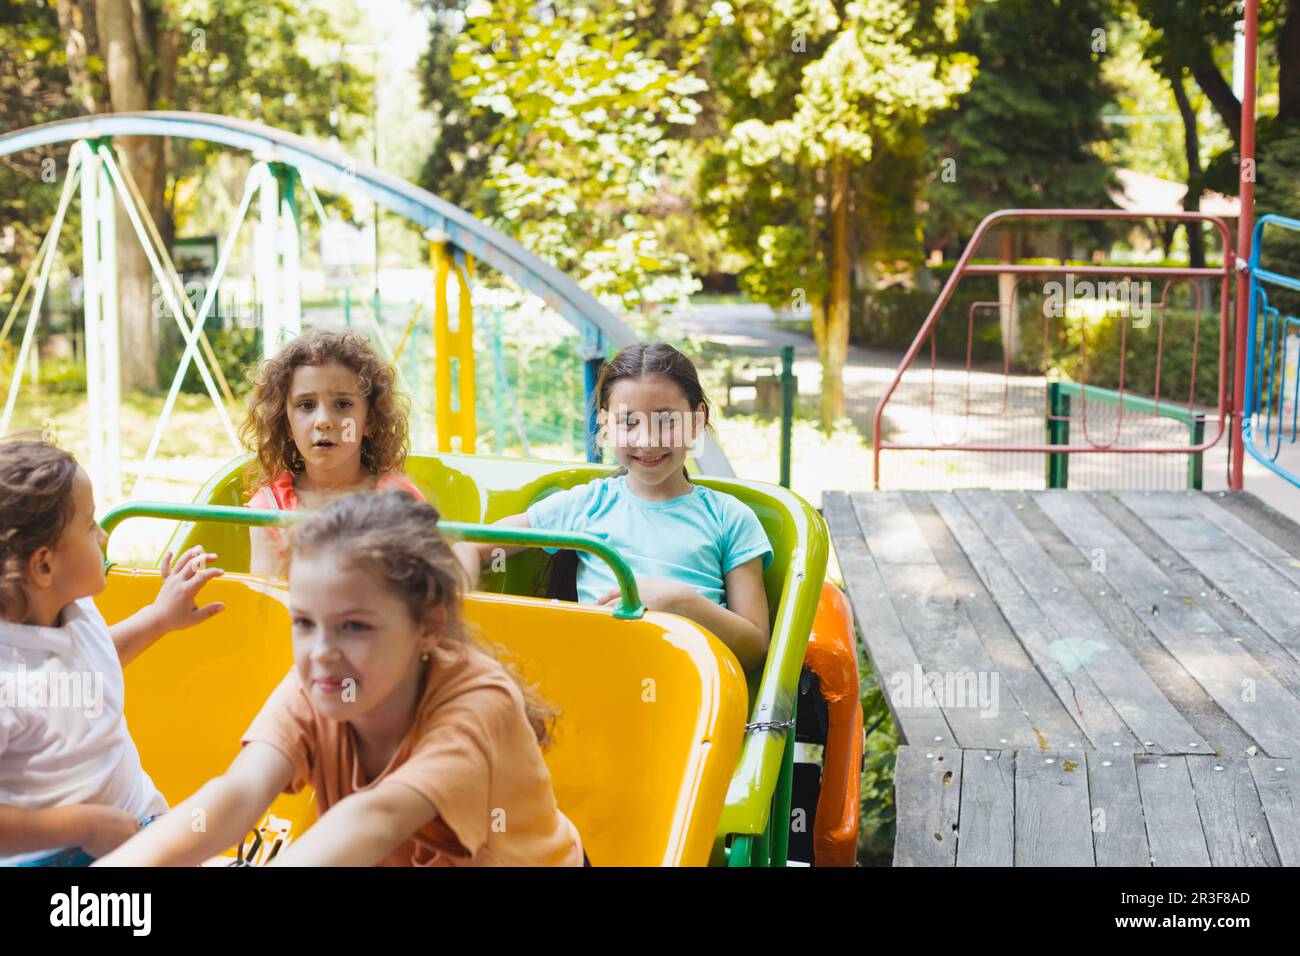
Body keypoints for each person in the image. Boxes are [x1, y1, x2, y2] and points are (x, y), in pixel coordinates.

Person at [97, 491, 583, 867]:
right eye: (305, 623)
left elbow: (377, 817)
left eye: (355, 627)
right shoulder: (320, 683)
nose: (322, 652)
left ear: (427, 627)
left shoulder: (477, 703)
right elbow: (235, 797)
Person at [453, 342, 772, 670]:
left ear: (696, 420)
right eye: (628, 422)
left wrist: (682, 602)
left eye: (665, 420)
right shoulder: (587, 504)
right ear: (606, 423)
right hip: (602, 679)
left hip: (696, 692)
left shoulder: (730, 518)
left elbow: (756, 648)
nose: (647, 440)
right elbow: (476, 547)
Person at [0, 437, 224, 866]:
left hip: (142, 828)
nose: (103, 534)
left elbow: (92, 664)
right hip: (57, 857)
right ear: (44, 566)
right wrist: (82, 826)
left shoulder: (75, 607)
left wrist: (160, 616)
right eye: (89, 525)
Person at [241, 330, 424, 576]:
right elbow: (265, 604)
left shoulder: (396, 500)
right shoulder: (271, 506)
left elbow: (421, 592)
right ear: (288, 425)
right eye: (306, 405)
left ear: (369, 420)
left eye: (342, 405)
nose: (324, 421)